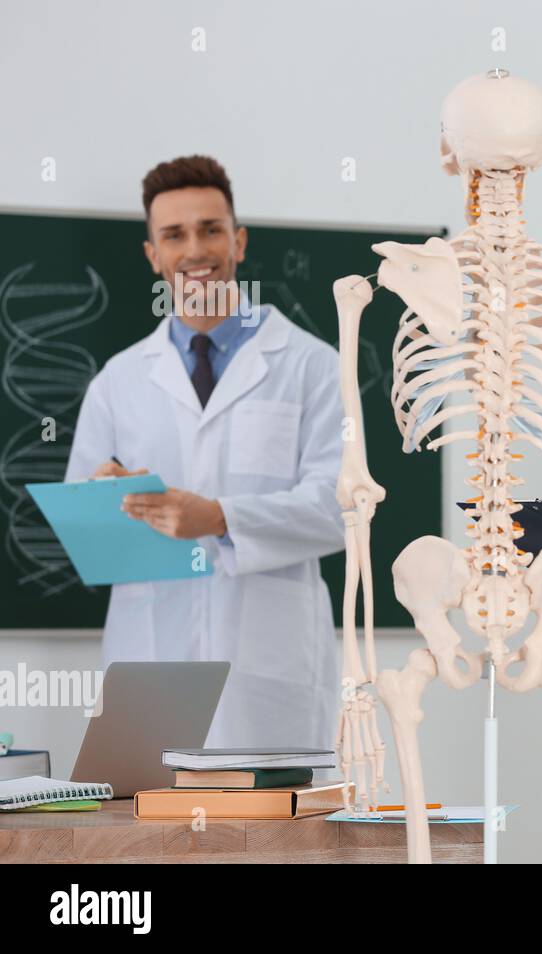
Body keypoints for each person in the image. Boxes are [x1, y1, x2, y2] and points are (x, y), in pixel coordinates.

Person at [64, 155, 345, 750]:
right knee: (150, 840)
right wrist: (109, 499)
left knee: (273, 838)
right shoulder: (118, 380)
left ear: (238, 241)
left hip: (269, 676)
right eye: (174, 234)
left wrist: (218, 518)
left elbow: (341, 507)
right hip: (148, 666)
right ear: (153, 255)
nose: (195, 249)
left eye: (211, 229)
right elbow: (83, 527)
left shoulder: (313, 366)